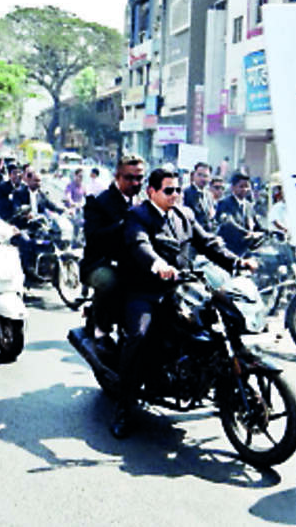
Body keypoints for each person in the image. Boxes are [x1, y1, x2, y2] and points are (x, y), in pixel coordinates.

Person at [112, 168, 257, 438]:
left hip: (182, 288)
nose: (175, 195)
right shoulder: (138, 215)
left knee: (217, 323)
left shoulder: (184, 215)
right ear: (152, 192)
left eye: (178, 189)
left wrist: (237, 262)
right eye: (169, 190)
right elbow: (139, 245)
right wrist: (157, 264)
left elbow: (209, 243)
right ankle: (124, 407)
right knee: (139, 337)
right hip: (145, 290)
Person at [80, 154, 145, 335]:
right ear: (117, 177)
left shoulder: (143, 202)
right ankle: (101, 329)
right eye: (129, 178)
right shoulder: (99, 201)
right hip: (100, 262)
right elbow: (93, 237)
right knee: (109, 280)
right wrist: (125, 223)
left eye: (139, 178)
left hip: (133, 261)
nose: (135, 183)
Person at [213, 172, 265, 257]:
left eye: (247, 186)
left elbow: (257, 226)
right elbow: (229, 223)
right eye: (241, 186)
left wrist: (268, 233)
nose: (244, 189)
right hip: (229, 252)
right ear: (233, 187)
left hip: (246, 252)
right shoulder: (224, 203)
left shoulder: (249, 206)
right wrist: (248, 233)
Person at [182, 161, 215, 231]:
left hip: (207, 233)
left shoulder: (209, 195)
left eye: (205, 176)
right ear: (194, 175)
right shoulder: (185, 193)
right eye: (199, 175)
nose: (202, 179)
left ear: (209, 178)